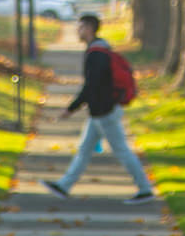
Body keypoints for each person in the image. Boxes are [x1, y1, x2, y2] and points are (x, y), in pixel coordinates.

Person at [43, 12, 155, 204]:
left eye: (80, 27)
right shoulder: (100, 50)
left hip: (105, 112)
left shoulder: (96, 54)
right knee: (84, 149)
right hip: (100, 111)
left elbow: (90, 87)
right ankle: (64, 186)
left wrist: (71, 109)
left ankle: (145, 189)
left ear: (88, 29)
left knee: (121, 151)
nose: (77, 30)